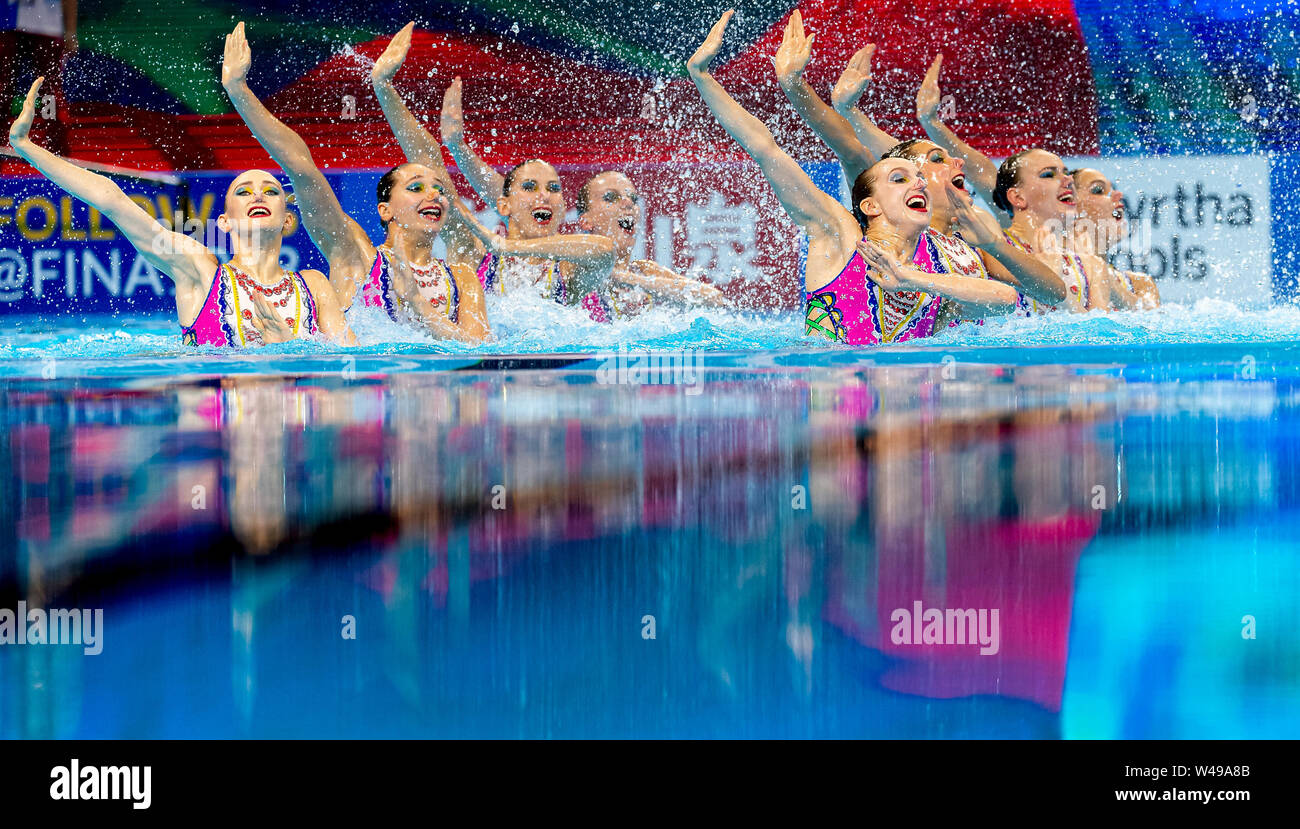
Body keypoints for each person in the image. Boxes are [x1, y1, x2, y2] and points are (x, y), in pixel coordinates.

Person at [688, 11, 1019, 346]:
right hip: (837, 384)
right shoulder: (841, 236)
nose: (918, 183)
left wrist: (912, 278)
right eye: (899, 179)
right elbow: (766, 150)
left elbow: (1005, 301)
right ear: (870, 205)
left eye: (918, 177)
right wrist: (702, 76)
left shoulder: (930, 267)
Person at [8, 77, 356, 347]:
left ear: (288, 219)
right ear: (225, 221)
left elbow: (350, 365)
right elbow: (112, 199)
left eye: (271, 191)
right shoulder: (199, 271)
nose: (257, 196)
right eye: (243, 191)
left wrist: (291, 349)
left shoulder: (314, 285)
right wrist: (26, 147)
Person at [772, 13, 1066, 316]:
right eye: (939, 160)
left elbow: (1053, 293)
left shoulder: (972, 233)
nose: (957, 161)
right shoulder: (896, 228)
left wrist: (993, 244)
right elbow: (856, 155)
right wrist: (798, 88)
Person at [222, 22, 490, 343]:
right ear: (386, 210)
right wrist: (239, 91)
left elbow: (479, 350)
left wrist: (420, 306)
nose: (433, 194)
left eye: (438, 190)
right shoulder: (356, 258)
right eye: (415, 188)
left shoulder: (462, 276)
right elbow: (303, 169)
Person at [436, 75, 616, 305]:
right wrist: (455, 145)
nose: (544, 195)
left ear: (562, 208)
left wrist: (509, 246)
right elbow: (430, 166)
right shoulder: (477, 256)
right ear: (503, 206)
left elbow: (604, 251)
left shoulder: (567, 269)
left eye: (553, 188)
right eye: (530, 187)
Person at [574, 170, 730, 320]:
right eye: (611, 197)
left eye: (633, 199)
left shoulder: (643, 271)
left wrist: (625, 278)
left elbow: (715, 300)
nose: (628, 202)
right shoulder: (573, 269)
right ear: (586, 221)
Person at [1070, 167, 1160, 309]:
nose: (1118, 195)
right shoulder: (1052, 276)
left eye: (1113, 189)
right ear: (1070, 207)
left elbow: (1152, 322)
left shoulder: (1140, 284)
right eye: (1098, 190)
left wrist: (1105, 277)